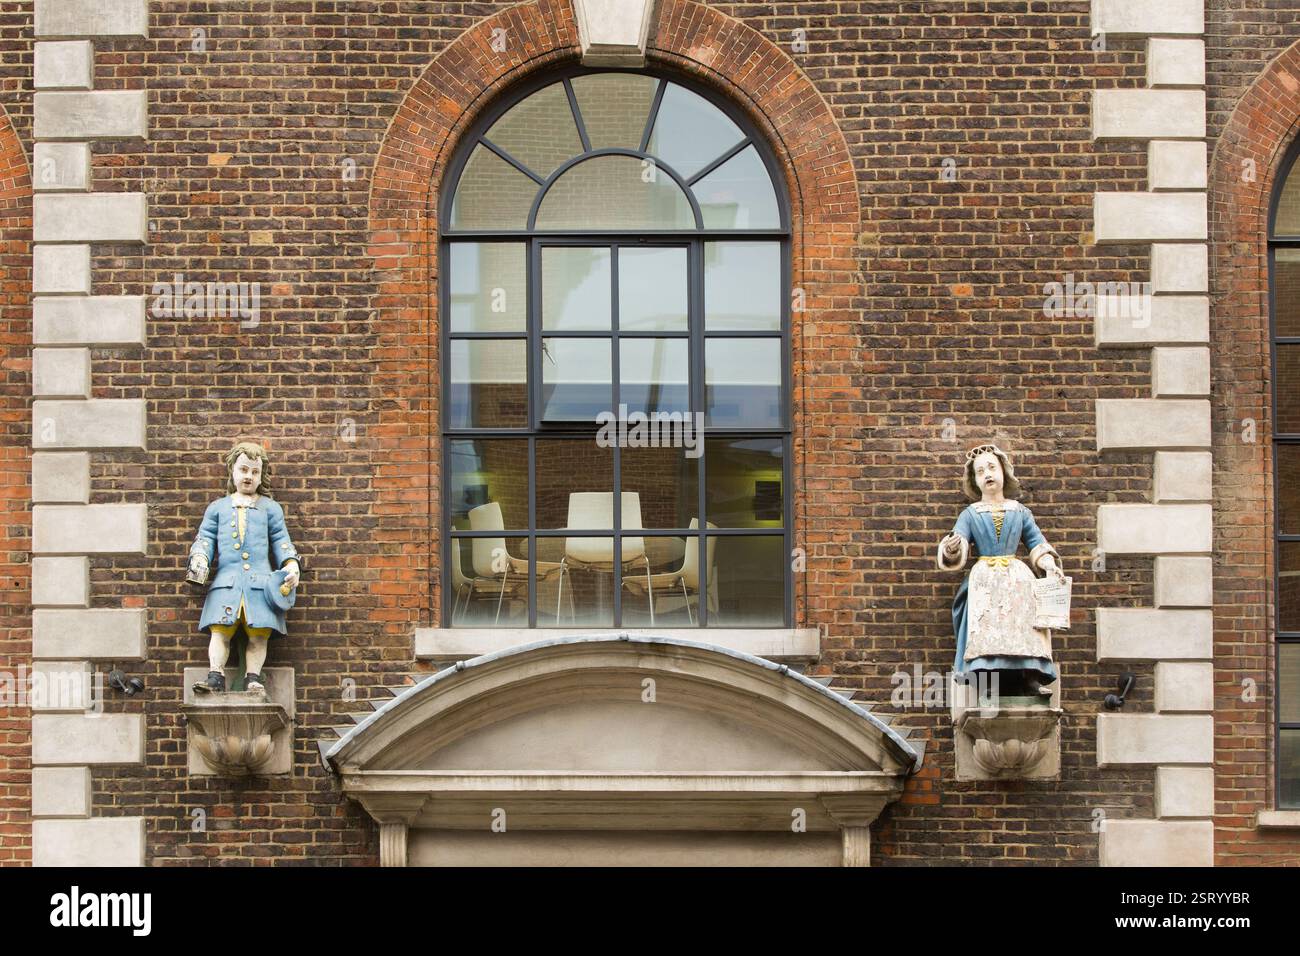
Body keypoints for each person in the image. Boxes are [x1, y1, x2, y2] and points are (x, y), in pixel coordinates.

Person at [937, 444, 1065, 698]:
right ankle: (987, 681)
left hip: (1017, 578)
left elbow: (1036, 543)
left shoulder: (1020, 511)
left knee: (1023, 627)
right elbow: (959, 540)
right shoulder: (970, 513)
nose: (987, 474)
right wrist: (952, 547)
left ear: (1004, 472)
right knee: (987, 627)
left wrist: (1049, 564)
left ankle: (1029, 678)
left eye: (992, 467)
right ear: (974, 480)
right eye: (980, 471)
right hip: (984, 578)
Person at [186, 441, 303, 694]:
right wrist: (199, 558)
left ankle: (253, 678)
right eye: (243, 470)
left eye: (254, 471)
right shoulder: (217, 508)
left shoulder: (271, 508)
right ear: (233, 471)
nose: (248, 476)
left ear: (261, 476)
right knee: (220, 631)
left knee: (258, 634)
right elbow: (205, 538)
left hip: (261, 584)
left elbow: (282, 540)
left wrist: (291, 565)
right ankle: (215, 676)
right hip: (226, 581)